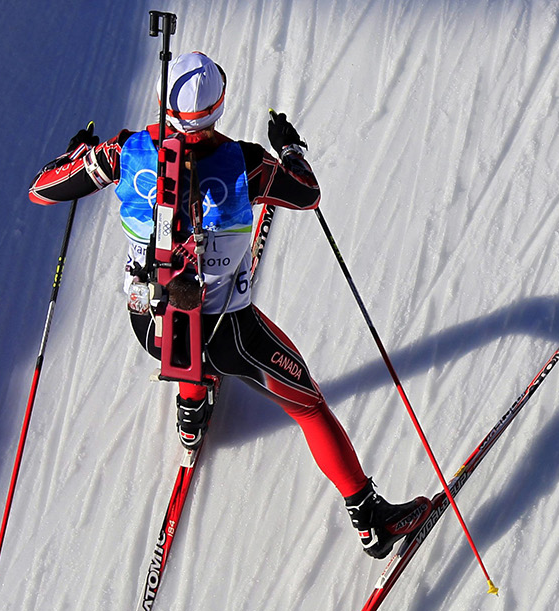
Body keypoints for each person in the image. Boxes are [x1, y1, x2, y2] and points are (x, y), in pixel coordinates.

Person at [29, 51, 428, 559]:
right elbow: (307, 194)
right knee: (307, 404)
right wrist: (291, 149)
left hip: (146, 324)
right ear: (220, 108)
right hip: (228, 336)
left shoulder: (123, 152)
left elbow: (42, 191)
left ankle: (192, 409)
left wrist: (75, 155)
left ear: (162, 101)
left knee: (178, 325)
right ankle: (372, 520)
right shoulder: (248, 163)